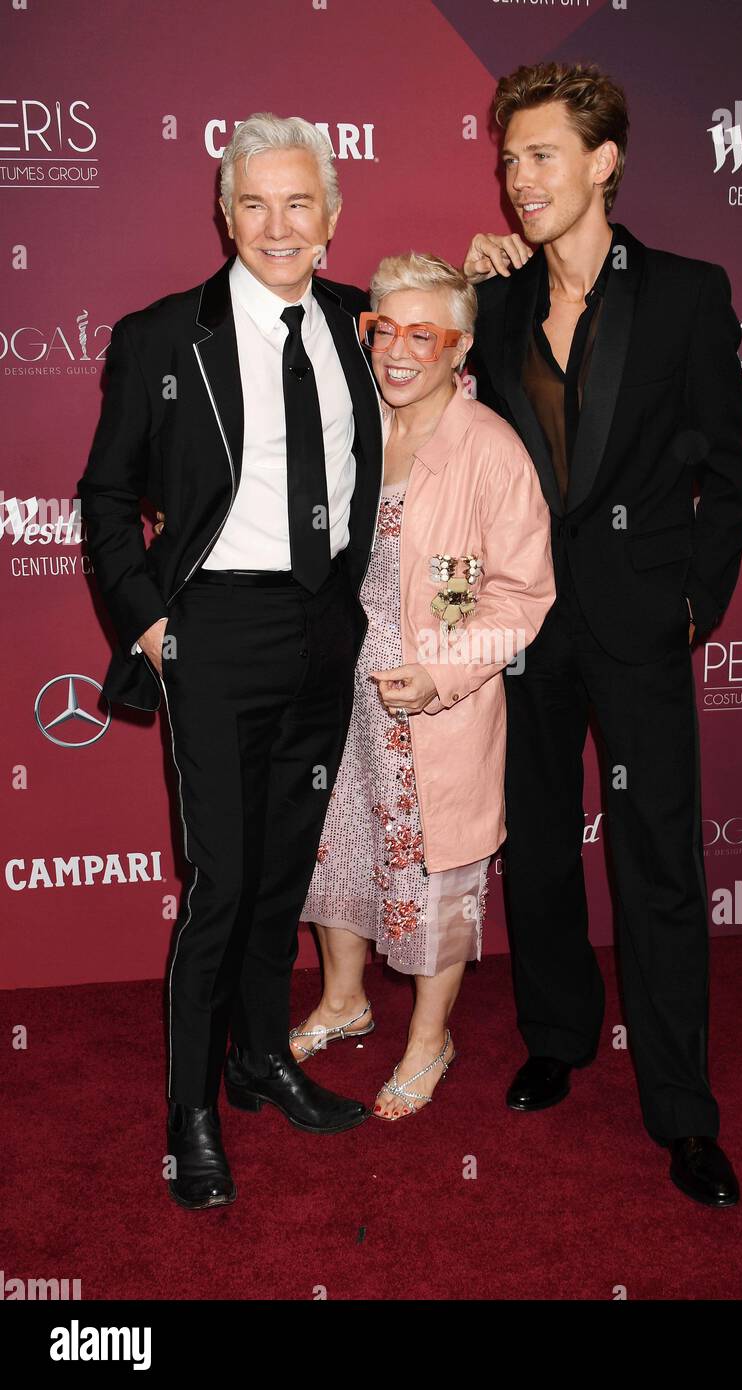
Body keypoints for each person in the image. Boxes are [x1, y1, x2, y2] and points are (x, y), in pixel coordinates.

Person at [77, 113, 384, 1209]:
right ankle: (191, 1110)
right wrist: (153, 624)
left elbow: (458, 328)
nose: (276, 224)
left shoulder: (363, 325)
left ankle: (261, 1058)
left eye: (298, 203)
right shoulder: (165, 336)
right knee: (219, 883)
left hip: (323, 631)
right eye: (252, 202)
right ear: (224, 214)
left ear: (332, 219)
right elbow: (106, 497)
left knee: (279, 874)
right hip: (214, 632)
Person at [461, 62, 742, 1206]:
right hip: (526, 617)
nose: (517, 179)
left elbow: (725, 470)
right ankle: (556, 1036)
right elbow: (411, 367)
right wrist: (465, 272)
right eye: (507, 159)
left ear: (601, 163)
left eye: (539, 156)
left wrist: (695, 601)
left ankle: (682, 1109)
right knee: (534, 838)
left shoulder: (685, 292)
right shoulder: (493, 301)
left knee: (656, 860)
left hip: (637, 613)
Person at [287, 253, 556, 1118]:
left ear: (460, 345)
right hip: (340, 692)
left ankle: (429, 1038)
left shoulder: (490, 448)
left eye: (422, 335)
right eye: (382, 330)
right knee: (339, 851)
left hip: (430, 701)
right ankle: (342, 999)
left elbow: (524, 595)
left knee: (434, 872)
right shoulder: (355, 422)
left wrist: (441, 673)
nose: (399, 352)